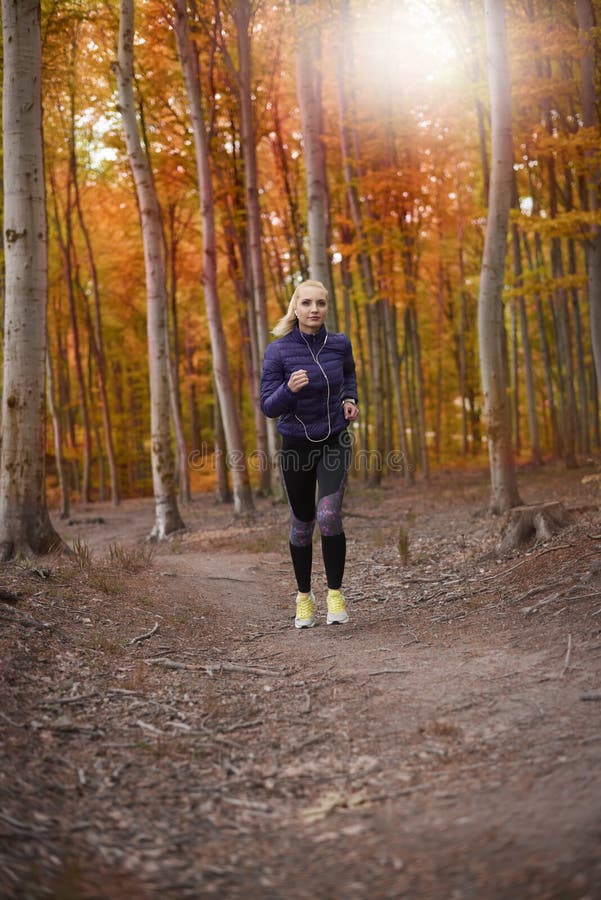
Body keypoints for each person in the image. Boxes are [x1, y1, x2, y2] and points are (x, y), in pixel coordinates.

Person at [260, 279, 360, 628]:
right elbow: (268, 406)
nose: (314, 309)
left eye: (320, 303)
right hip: (296, 447)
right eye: (306, 303)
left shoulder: (339, 344)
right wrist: (289, 389)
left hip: (334, 440)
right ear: (296, 308)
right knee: (302, 524)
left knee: (329, 516)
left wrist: (350, 399)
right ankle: (304, 597)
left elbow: (349, 375)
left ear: (326, 307)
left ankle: (335, 594)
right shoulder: (278, 351)